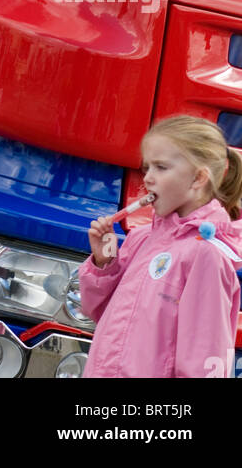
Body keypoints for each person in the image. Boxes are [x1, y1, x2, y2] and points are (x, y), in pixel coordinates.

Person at [79, 115, 242, 378]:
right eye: (147, 168)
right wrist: (104, 265)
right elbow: (97, 313)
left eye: (161, 168)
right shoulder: (141, 238)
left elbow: (204, 361)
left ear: (198, 178)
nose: (149, 179)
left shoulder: (206, 255)